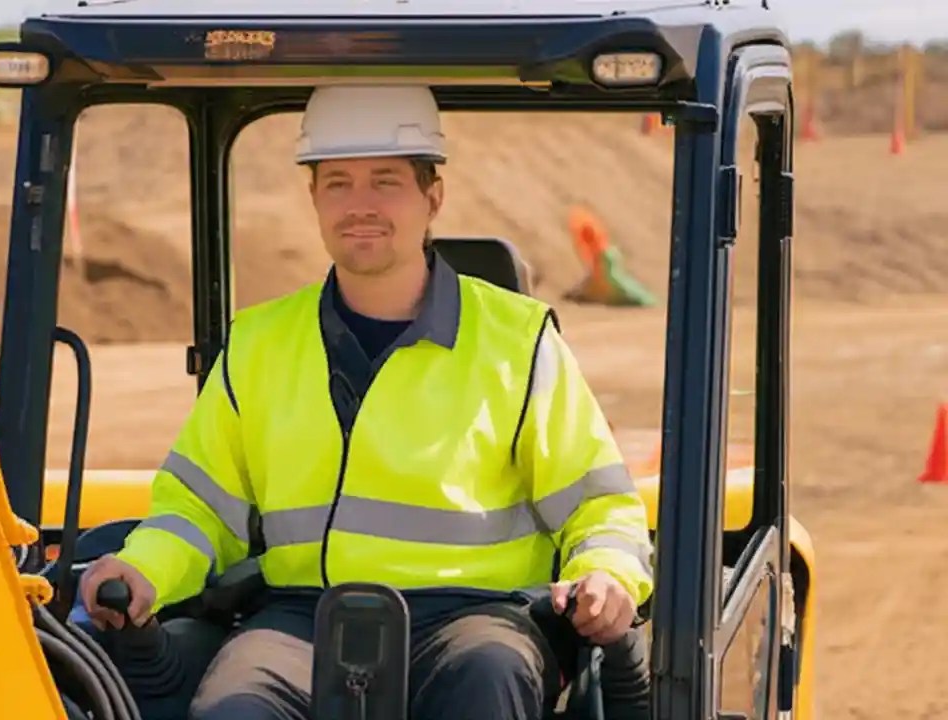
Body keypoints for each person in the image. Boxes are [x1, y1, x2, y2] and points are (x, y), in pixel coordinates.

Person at [78, 84, 654, 720]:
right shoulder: (258, 343)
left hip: (475, 615)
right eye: (338, 184)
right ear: (314, 198)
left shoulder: (518, 341)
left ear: (433, 196)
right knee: (231, 708)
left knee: (489, 679)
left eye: (385, 181)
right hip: (301, 616)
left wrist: (607, 574)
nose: (361, 205)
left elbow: (600, 505)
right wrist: (142, 569)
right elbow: (195, 509)